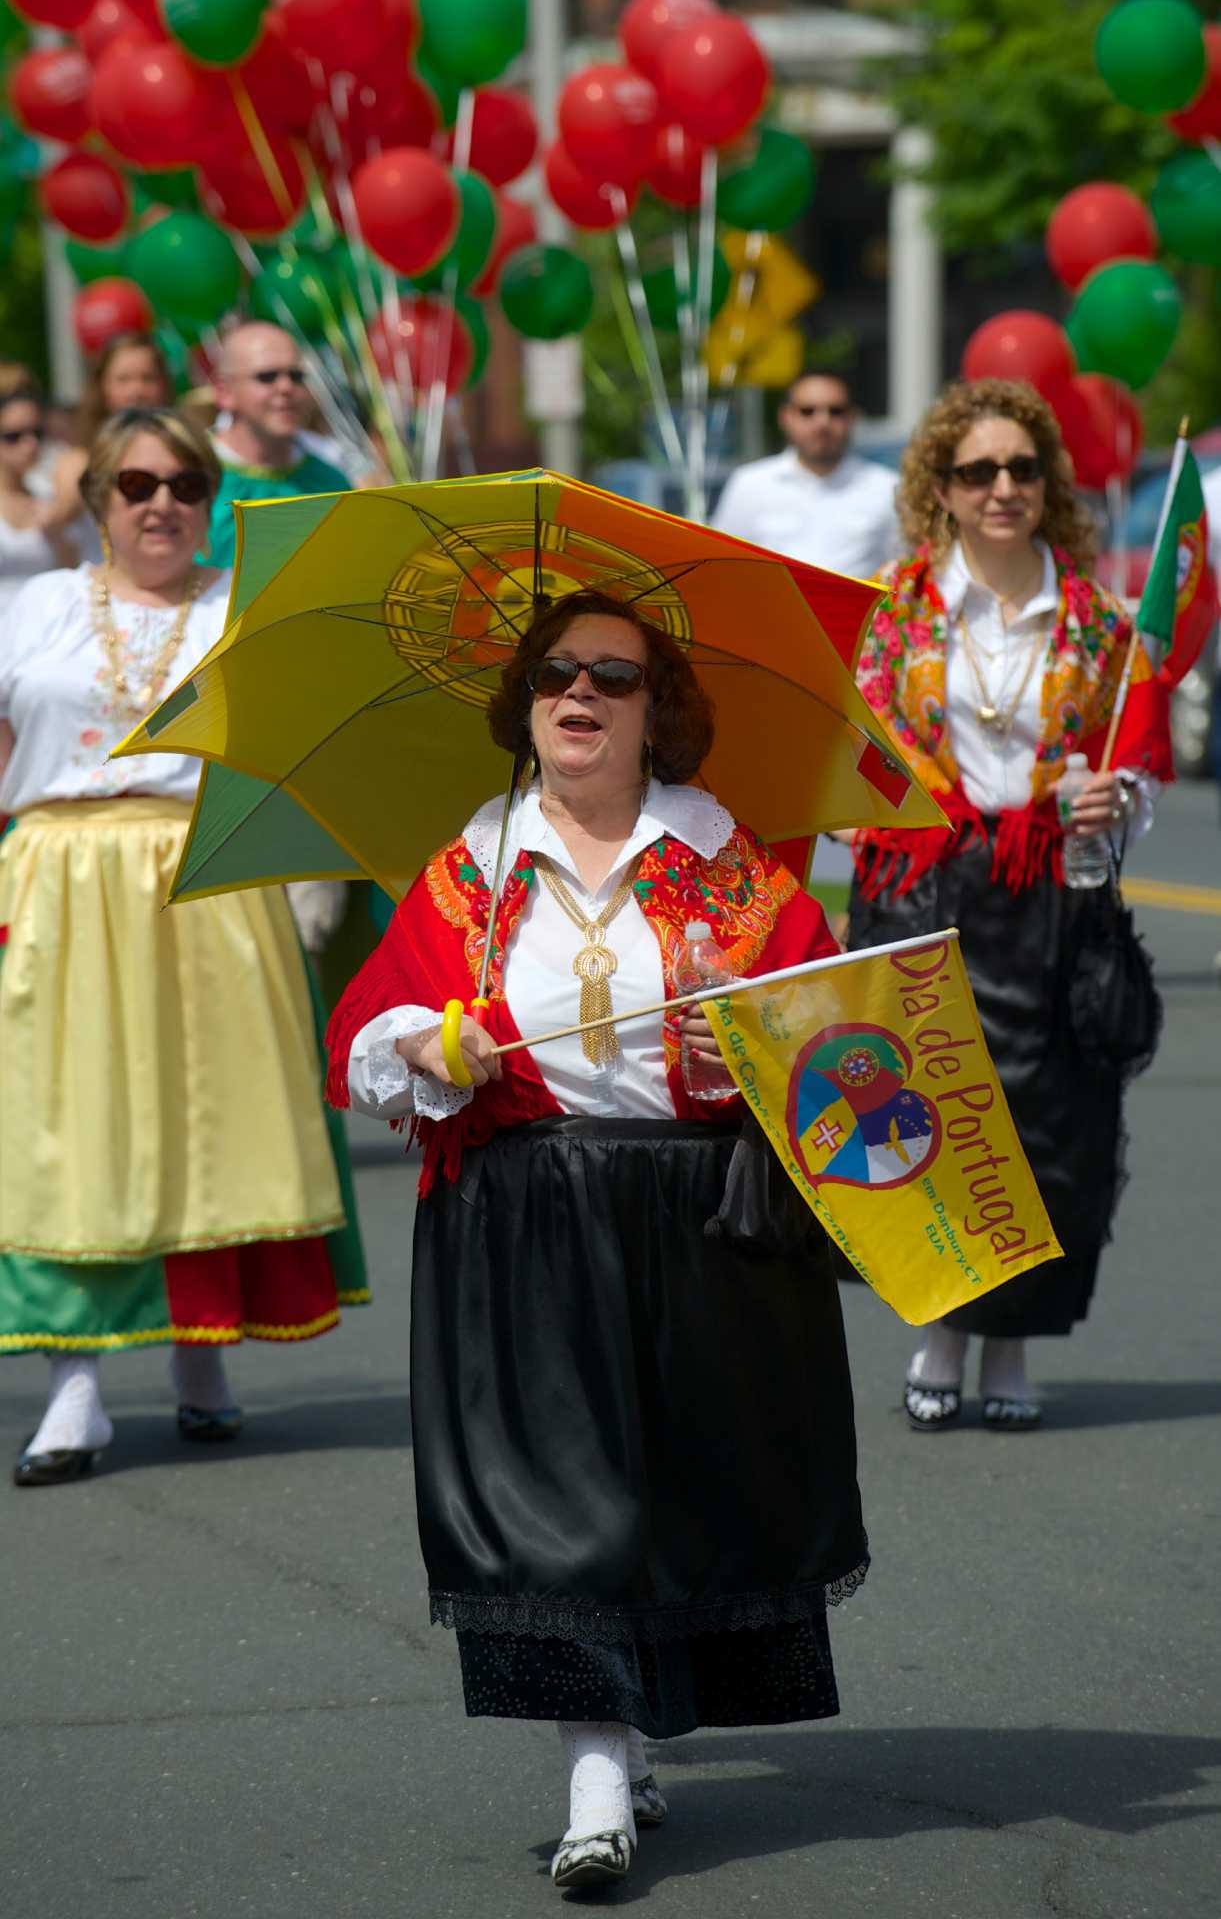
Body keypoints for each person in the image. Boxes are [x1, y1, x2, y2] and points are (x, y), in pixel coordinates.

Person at [326, 588, 868, 1893]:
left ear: (656, 713)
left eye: (612, 678)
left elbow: (841, 1040)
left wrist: (741, 1050)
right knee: (561, 1516)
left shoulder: (729, 863)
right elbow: (360, 1042)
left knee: (673, 1500)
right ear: (523, 706)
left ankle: (629, 1740)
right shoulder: (476, 865)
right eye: (556, 673)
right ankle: (592, 1784)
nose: (578, 694)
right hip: (522, 1216)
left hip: (695, 1224)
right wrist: (430, 1042)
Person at [0, 408, 367, 1488]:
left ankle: (203, 1355)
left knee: (213, 1120)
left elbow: (306, 746)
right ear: (100, 500)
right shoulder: (40, 603)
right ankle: (73, 1387)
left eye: (188, 483)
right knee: (68, 1122)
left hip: (207, 874)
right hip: (62, 872)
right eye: (136, 483)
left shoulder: (244, 609)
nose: (163, 502)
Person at [847, 377, 1171, 1431]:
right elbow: (845, 747)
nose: (1002, 487)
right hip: (925, 891)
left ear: (1047, 484)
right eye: (978, 469)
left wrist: (1109, 800)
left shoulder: (1096, 618)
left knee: (1049, 1128)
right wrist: (857, 808)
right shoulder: (892, 606)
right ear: (941, 484)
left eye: (1022, 469)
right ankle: (941, 1329)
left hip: (1048, 896)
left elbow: (1142, 763)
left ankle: (1014, 1344)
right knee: (927, 1120)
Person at [710, 368, 902, 579]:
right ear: (785, 417)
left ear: (853, 417)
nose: (822, 422)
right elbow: (720, 565)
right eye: (807, 411)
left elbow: (904, 571)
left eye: (835, 411)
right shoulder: (750, 484)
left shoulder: (887, 488)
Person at [207, 322, 352, 569]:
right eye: (267, 377)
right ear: (225, 392)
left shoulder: (332, 483)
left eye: (296, 376)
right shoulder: (186, 478)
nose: (286, 387)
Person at [45, 332, 174, 560]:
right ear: (102, 387)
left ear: (163, 385)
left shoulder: (181, 455)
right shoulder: (79, 459)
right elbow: (57, 522)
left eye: (147, 378)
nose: (137, 391)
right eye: (123, 379)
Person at [0, 388, 79, 611]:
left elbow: (73, 573)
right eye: (13, 436)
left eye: (37, 434)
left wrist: (58, 537)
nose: (30, 444)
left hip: (42, 630)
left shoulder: (49, 495)